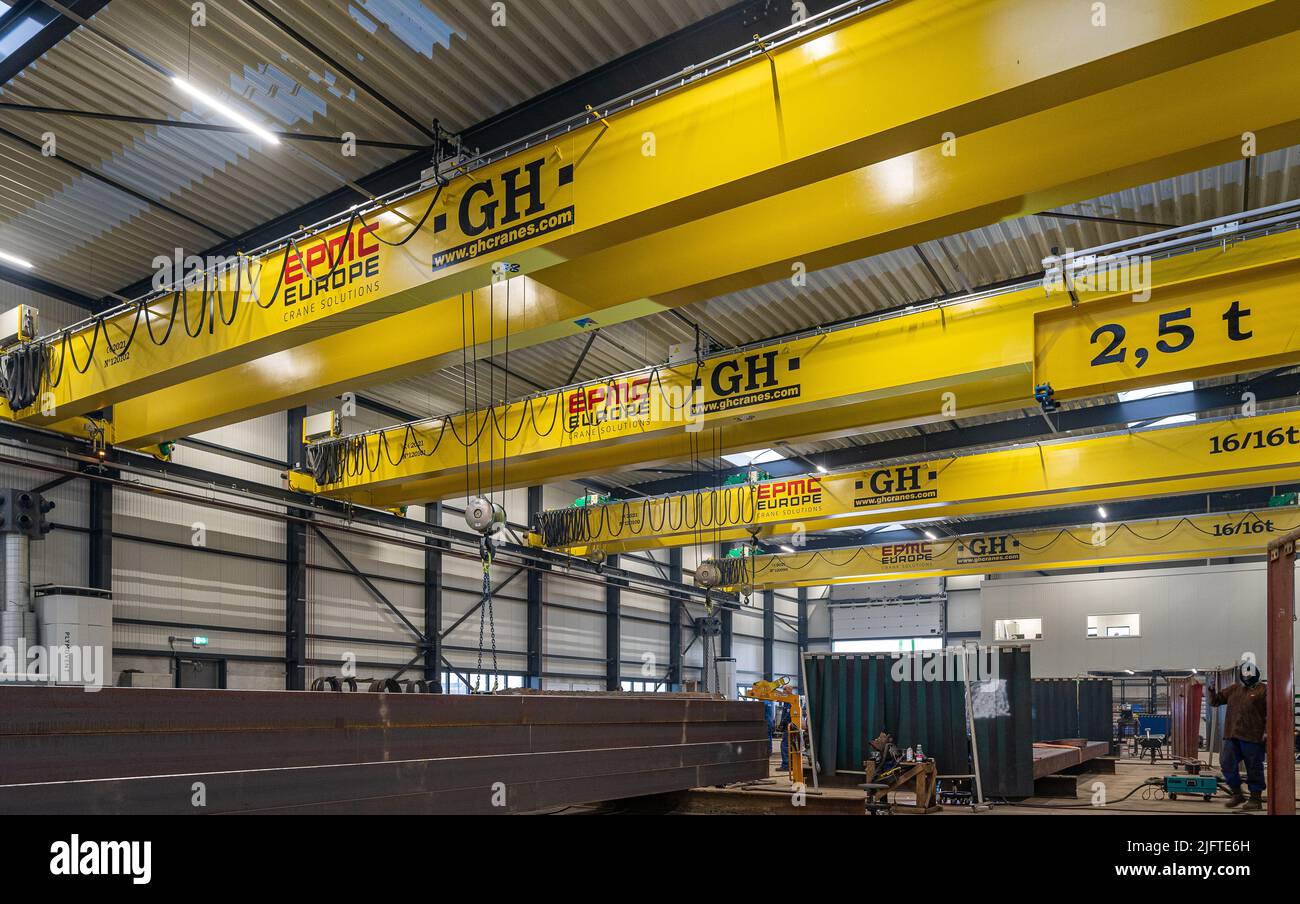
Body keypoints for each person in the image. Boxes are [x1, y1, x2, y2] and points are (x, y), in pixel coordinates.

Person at [1208, 657, 1267, 811]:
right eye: (1244, 673)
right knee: (1226, 762)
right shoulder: (1235, 689)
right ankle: (1237, 793)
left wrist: (1267, 732)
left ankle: (1255, 799)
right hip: (1232, 734)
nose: (1246, 675)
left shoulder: (1264, 690)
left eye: (1249, 672)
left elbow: (1270, 713)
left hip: (1252, 736)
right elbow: (1215, 701)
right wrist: (1211, 690)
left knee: (1253, 767)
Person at [777, 701, 792, 772]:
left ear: (789, 690)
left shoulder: (790, 702)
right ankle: (790, 764)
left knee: (784, 745)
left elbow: (788, 715)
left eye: (785, 689)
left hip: (789, 726)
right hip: (787, 726)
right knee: (789, 745)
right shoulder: (786, 702)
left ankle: (786, 765)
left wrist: (782, 723)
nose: (783, 691)